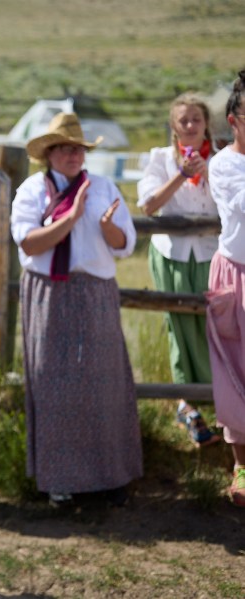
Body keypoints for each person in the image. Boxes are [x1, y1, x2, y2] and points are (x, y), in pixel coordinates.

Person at [10, 112, 142, 507]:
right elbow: (29, 244)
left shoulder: (102, 187)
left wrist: (106, 229)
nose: (73, 154)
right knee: (54, 385)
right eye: (65, 148)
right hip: (49, 293)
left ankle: (109, 478)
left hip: (95, 292)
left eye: (78, 149)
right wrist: (70, 217)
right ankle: (61, 483)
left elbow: (125, 243)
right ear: (48, 154)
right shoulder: (32, 191)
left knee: (103, 383)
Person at [137, 93, 221, 447]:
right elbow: (150, 205)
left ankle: (217, 397)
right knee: (178, 322)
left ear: (206, 125)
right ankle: (186, 402)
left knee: (214, 324)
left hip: (210, 254)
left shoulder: (222, 160)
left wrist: (206, 176)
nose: (190, 126)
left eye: (196, 120)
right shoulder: (158, 159)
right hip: (171, 253)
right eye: (183, 120)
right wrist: (180, 176)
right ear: (173, 126)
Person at [205, 69, 245, 507]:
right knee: (236, 371)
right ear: (234, 121)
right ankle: (242, 466)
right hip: (236, 274)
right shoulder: (226, 164)